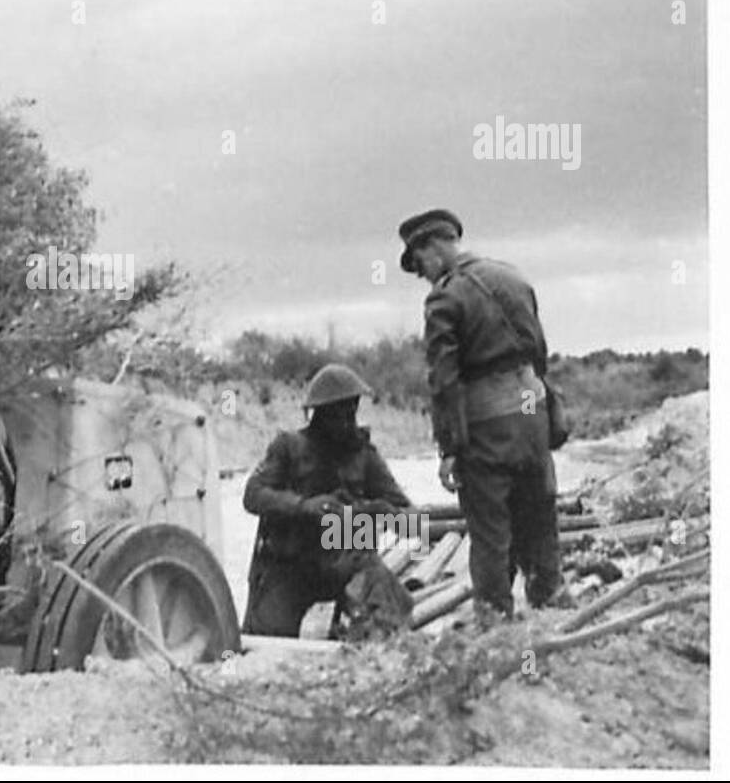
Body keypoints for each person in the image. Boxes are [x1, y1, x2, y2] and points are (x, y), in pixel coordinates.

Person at [398, 208, 567, 626]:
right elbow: (539, 353)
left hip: (488, 427)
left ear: (431, 247)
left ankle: (494, 624)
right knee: (539, 515)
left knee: (490, 530)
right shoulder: (514, 277)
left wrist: (450, 449)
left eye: (419, 264)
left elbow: (445, 381)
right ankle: (552, 612)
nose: (423, 275)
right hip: (532, 416)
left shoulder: (445, 298)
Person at [242, 363, 415, 640]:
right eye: (337, 415)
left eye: (351, 413)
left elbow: (408, 515)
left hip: (345, 564)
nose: (346, 423)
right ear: (319, 416)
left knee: (386, 614)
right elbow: (253, 495)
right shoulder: (288, 448)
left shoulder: (364, 456)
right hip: (290, 568)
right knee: (266, 642)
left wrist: (373, 512)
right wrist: (304, 507)